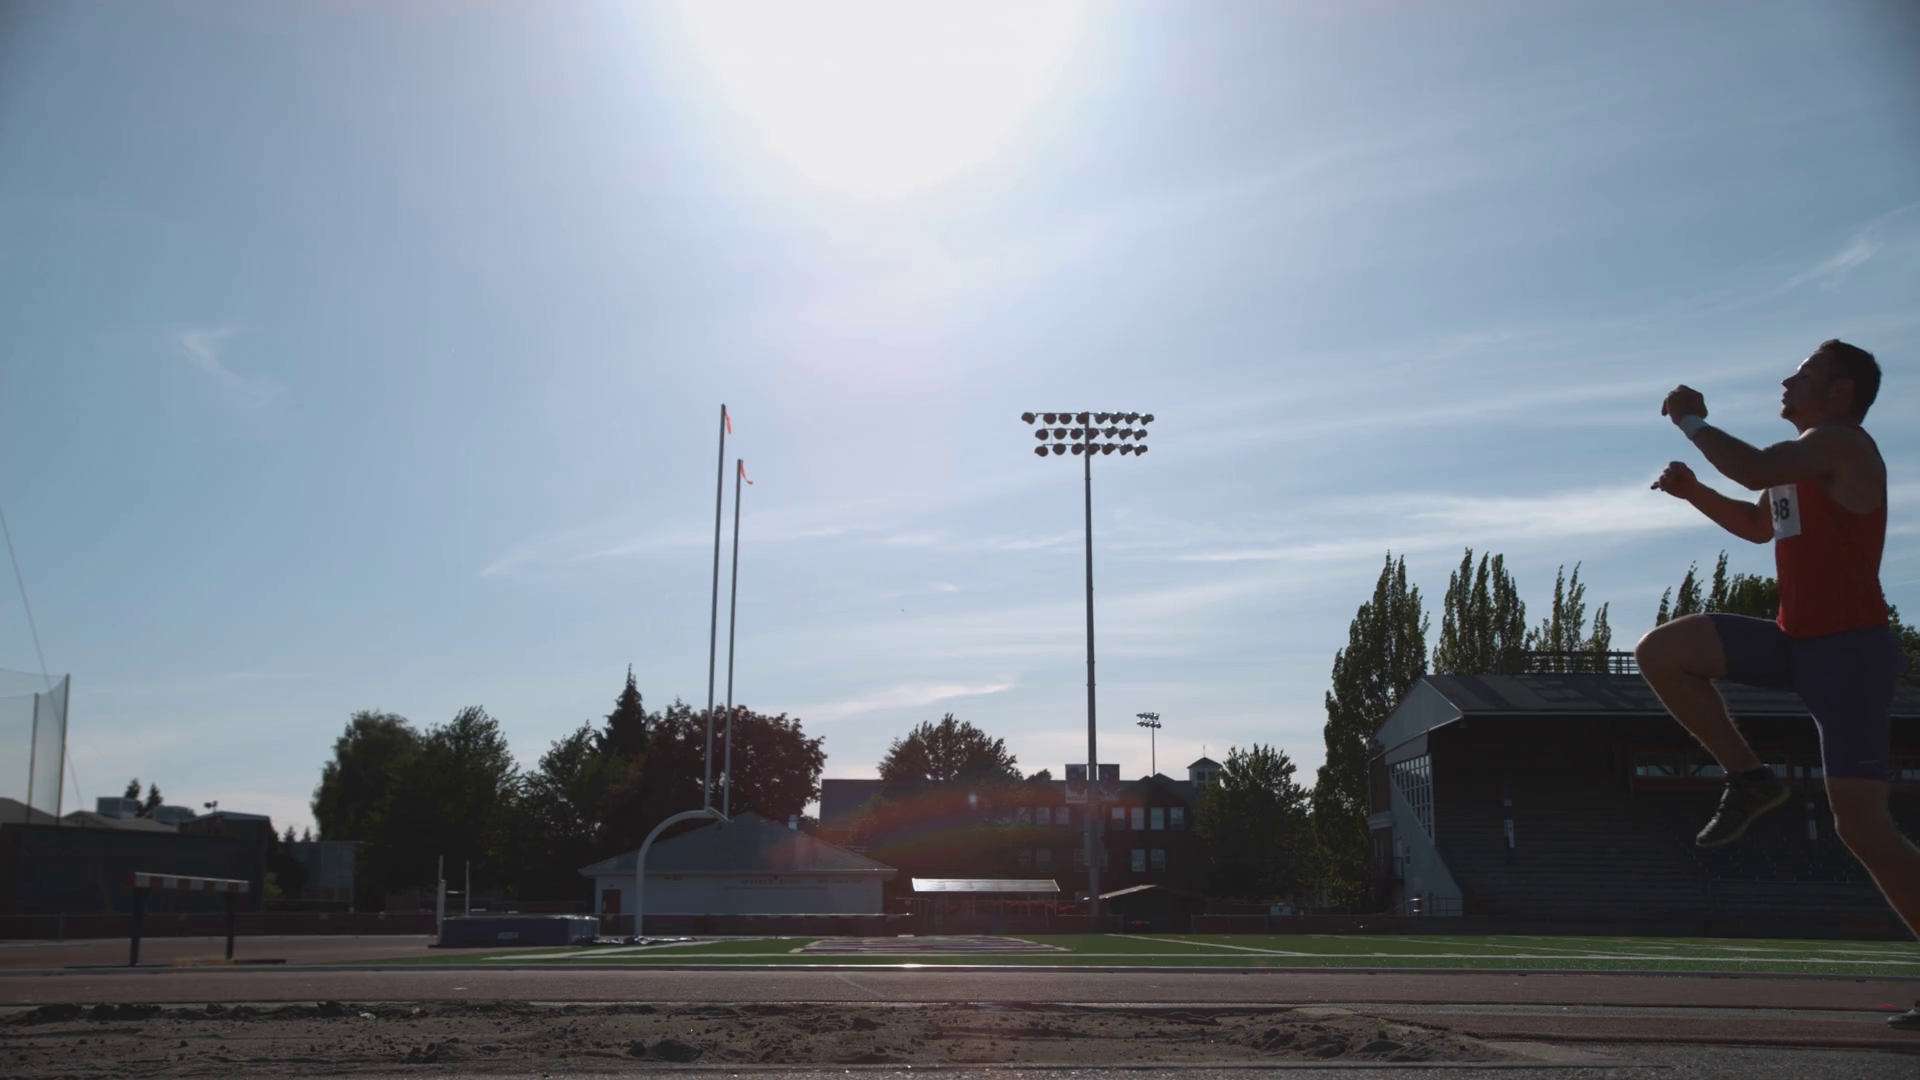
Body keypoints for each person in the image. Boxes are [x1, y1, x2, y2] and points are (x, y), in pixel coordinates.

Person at [1636, 339, 1918, 1028]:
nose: (1787, 381)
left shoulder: (1844, 445)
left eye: (1805, 374)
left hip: (1850, 654)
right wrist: (1698, 493)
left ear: (1841, 391)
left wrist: (1695, 424)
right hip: (1795, 643)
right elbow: (1762, 527)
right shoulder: (1797, 468)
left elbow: (1757, 464)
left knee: (1863, 827)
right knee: (1663, 652)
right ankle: (1749, 777)